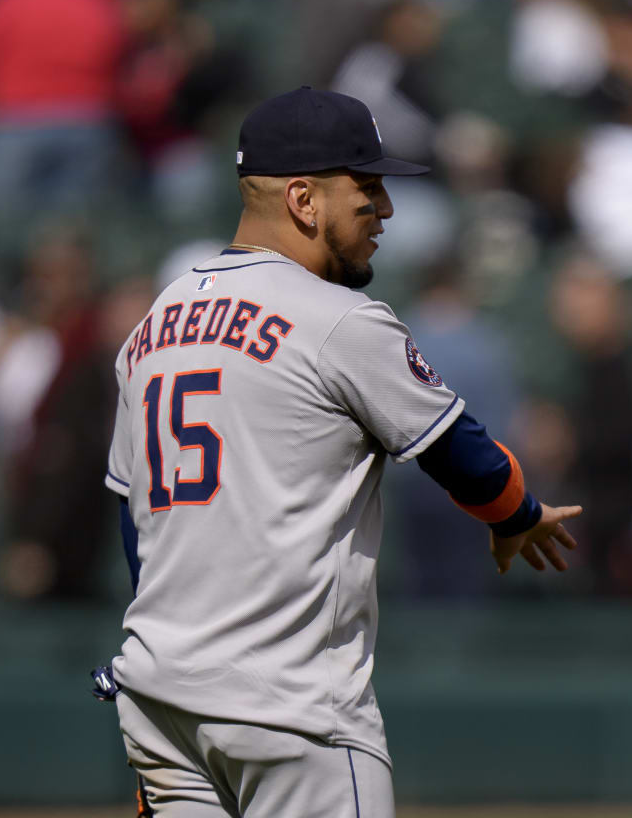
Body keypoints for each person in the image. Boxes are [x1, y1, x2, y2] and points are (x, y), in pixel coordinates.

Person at [100, 87, 581, 816]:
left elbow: (135, 521)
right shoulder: (336, 319)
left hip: (159, 703)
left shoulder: (153, 324)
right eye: (367, 189)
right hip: (288, 709)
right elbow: (464, 455)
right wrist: (517, 515)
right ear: (303, 199)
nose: (384, 210)